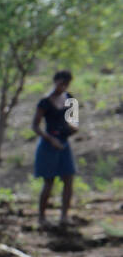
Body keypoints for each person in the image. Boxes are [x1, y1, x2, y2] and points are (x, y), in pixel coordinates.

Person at [32, 70, 78, 229]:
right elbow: (35, 126)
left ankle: (64, 216)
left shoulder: (70, 99)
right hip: (48, 144)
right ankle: (42, 217)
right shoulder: (44, 102)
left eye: (66, 84)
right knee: (49, 182)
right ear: (55, 81)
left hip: (64, 143)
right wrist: (51, 139)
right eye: (61, 83)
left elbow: (74, 122)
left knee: (68, 178)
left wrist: (71, 128)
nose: (63, 87)